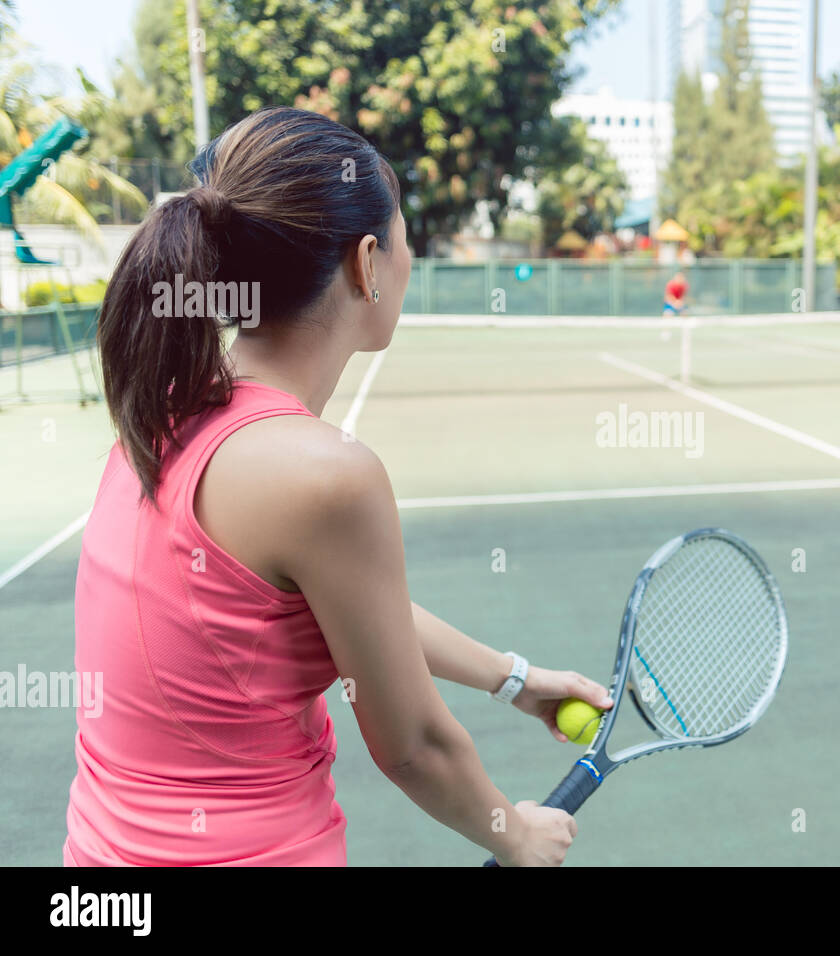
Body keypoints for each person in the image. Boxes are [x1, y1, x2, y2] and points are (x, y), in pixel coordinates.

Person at [66, 107, 609, 867]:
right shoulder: (327, 475)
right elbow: (414, 746)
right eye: (403, 238)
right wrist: (516, 835)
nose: (408, 257)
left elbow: (346, 610)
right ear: (365, 262)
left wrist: (513, 679)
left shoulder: (155, 419)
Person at [662, 271, 688, 340]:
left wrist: (680, 302)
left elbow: (683, 296)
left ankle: (685, 331)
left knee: (684, 314)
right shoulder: (670, 285)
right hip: (670, 303)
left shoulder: (684, 286)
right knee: (667, 315)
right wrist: (675, 302)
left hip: (679, 302)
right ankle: (666, 332)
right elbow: (668, 296)